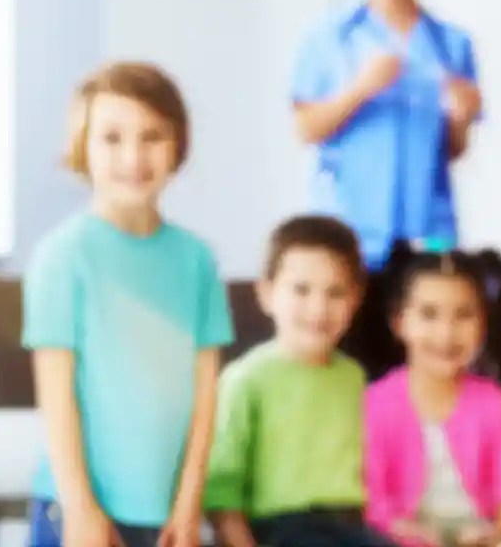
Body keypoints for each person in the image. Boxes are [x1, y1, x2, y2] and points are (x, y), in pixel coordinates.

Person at [23, 62, 235, 547]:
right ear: (83, 147)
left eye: (152, 136)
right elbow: (56, 398)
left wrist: (189, 505)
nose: (133, 156)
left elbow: (205, 399)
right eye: (112, 138)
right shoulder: (63, 256)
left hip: (167, 518)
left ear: (178, 145)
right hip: (76, 511)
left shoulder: (197, 261)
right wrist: (81, 508)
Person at [291, 0, 483, 381]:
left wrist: (461, 118)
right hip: (349, 238)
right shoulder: (331, 38)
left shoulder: (451, 44)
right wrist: (361, 88)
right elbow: (306, 127)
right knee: (347, 373)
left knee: (420, 379)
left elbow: (453, 150)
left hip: (425, 239)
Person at [203, 215, 397, 547]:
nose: (318, 309)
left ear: (356, 300)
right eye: (301, 290)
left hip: (355, 527)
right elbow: (222, 491)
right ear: (266, 293)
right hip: (282, 527)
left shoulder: (356, 379)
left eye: (336, 293)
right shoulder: (246, 378)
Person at [364, 252, 501, 547]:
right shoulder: (376, 403)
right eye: (429, 314)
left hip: (479, 538)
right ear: (399, 322)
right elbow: (371, 496)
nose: (446, 333)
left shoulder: (494, 403)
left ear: (482, 324)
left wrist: (496, 533)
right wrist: (401, 530)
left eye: (463, 315)